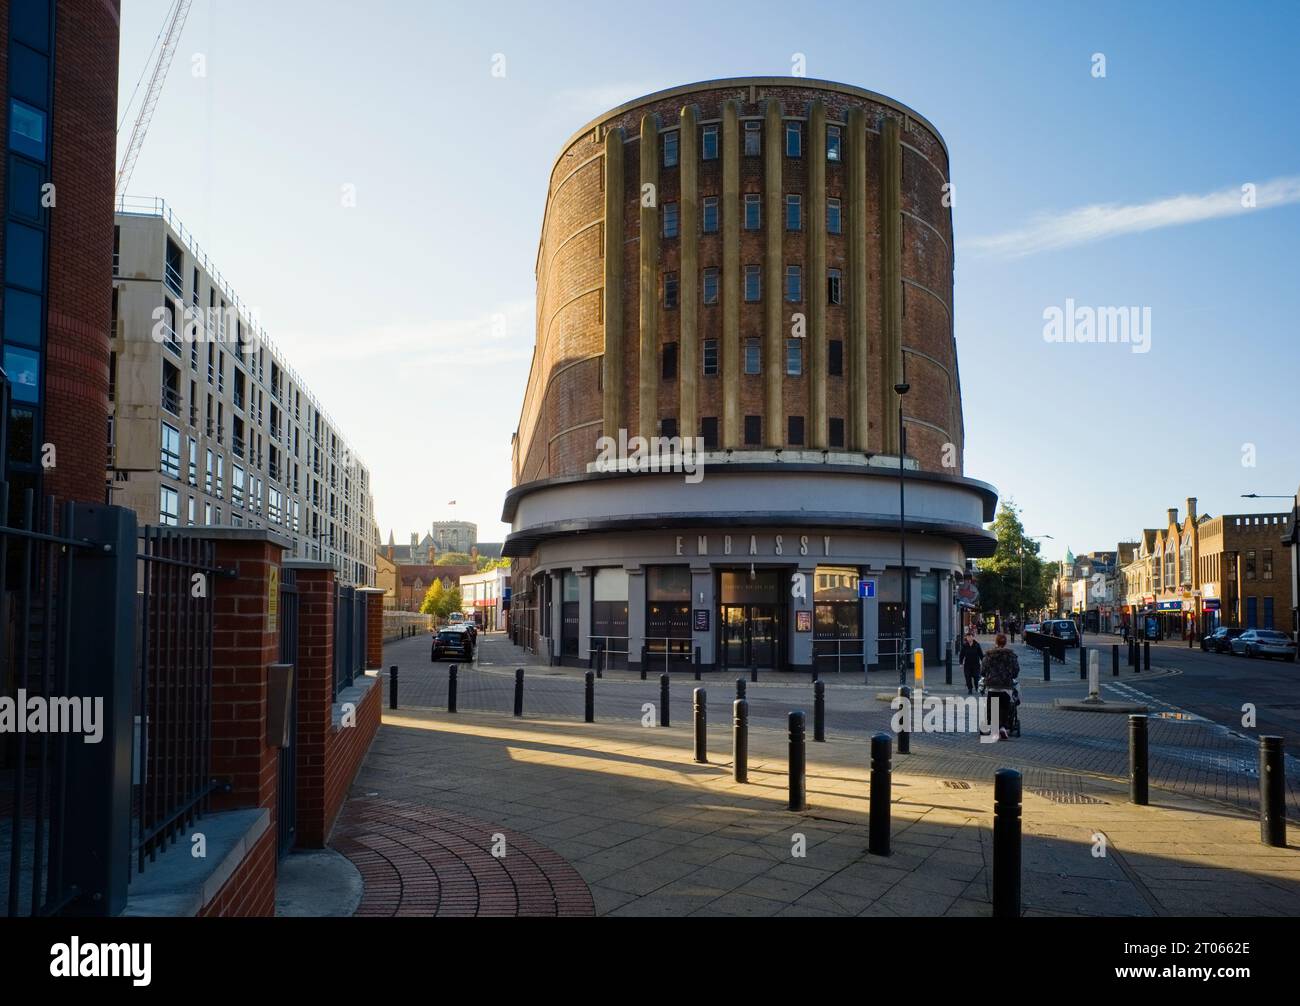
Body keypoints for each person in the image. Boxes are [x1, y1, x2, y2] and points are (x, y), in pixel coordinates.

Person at [980, 633, 1020, 740]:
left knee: (993, 706)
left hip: (992, 685)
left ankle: (993, 727)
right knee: (1005, 706)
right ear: (1005, 642)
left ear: (996, 642)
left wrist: (987, 675)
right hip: (1006, 685)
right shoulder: (1011, 656)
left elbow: (983, 671)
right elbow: (1016, 671)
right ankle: (1002, 727)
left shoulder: (989, 655)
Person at [959, 630, 984, 695]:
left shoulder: (977, 645)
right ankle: (970, 689)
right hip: (967, 664)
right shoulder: (964, 645)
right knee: (968, 677)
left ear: (973, 637)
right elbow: (961, 655)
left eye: (970, 637)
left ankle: (977, 687)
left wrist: (983, 661)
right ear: (966, 638)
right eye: (968, 637)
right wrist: (961, 663)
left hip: (976, 664)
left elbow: (981, 654)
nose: (969, 638)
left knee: (976, 677)